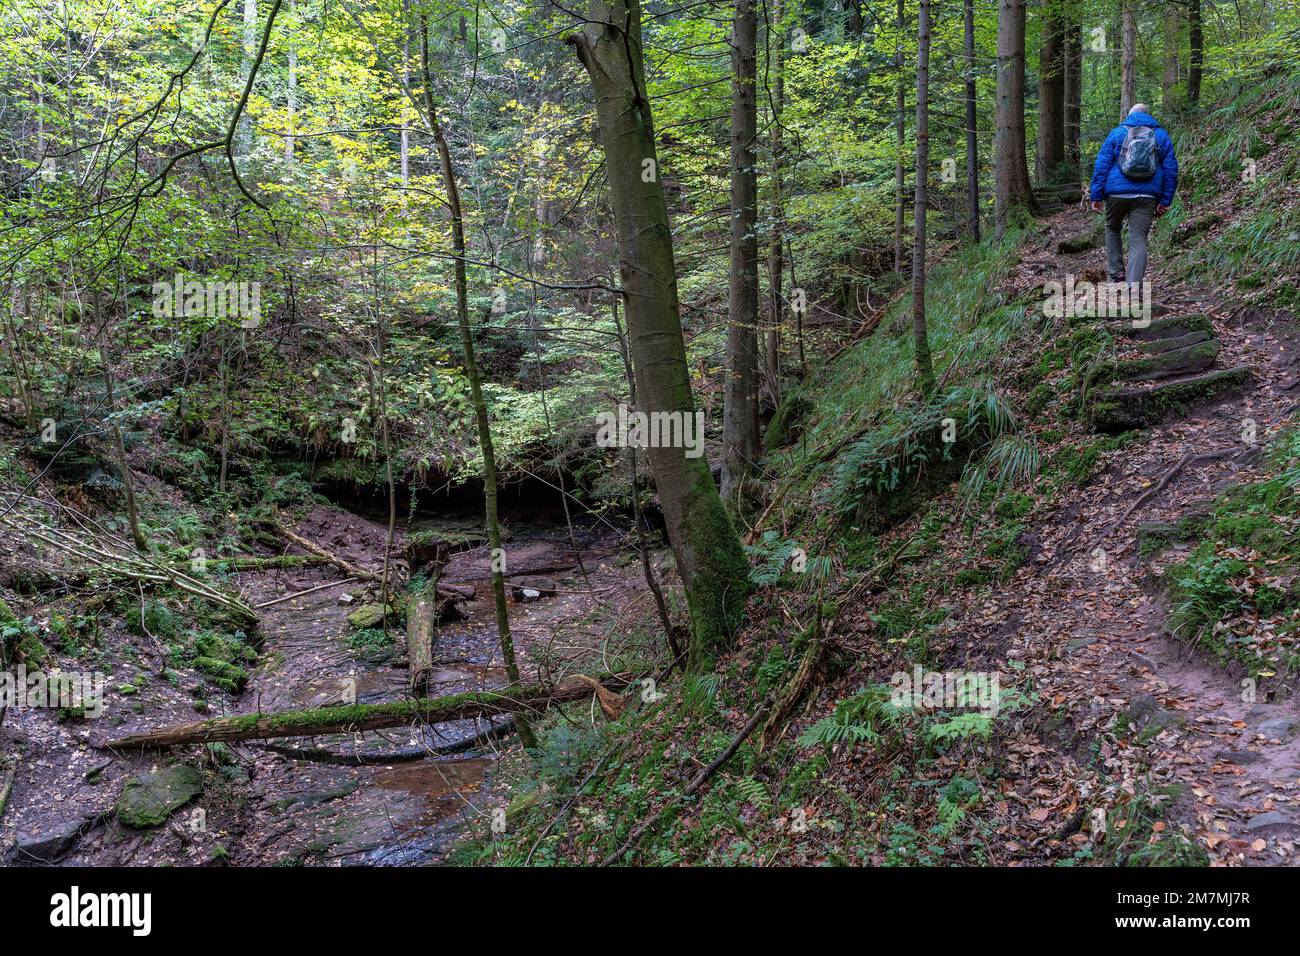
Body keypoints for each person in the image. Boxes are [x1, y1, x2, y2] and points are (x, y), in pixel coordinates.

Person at [1088, 103, 1179, 286]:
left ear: (1129, 114)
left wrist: (1096, 196)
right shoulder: (1160, 135)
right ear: (1148, 115)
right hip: (1147, 195)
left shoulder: (1117, 133)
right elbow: (1171, 170)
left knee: (1113, 228)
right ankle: (1134, 287)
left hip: (1116, 193)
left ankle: (1117, 274)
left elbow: (1102, 165)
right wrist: (1165, 200)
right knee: (1139, 240)